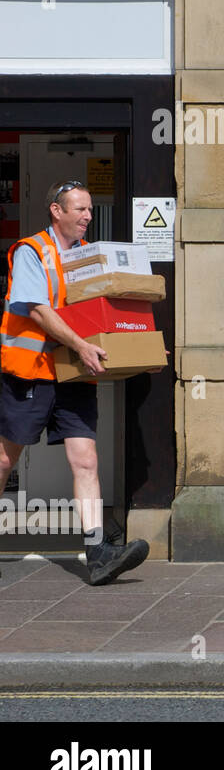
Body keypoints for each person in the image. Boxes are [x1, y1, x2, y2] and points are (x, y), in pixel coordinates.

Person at [0, 179, 150, 585]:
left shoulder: (87, 257)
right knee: (4, 460)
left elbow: (106, 313)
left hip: (73, 373)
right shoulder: (32, 252)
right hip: (31, 370)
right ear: (56, 211)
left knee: (85, 460)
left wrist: (141, 349)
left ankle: (98, 553)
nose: (87, 216)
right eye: (79, 209)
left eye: (88, 209)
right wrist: (83, 347)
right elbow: (38, 311)